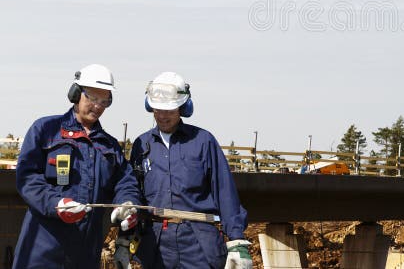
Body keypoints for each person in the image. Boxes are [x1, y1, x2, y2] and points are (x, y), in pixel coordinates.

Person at [13, 64, 141, 269]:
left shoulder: (109, 146)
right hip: (42, 249)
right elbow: (27, 179)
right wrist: (56, 203)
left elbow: (125, 181)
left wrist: (127, 203)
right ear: (76, 94)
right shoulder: (45, 130)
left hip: (84, 253)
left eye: (104, 100)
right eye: (92, 97)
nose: (98, 106)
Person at [130, 71, 251, 269]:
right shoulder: (141, 145)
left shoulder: (203, 141)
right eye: (157, 109)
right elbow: (133, 192)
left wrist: (237, 240)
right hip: (157, 244)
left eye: (169, 110)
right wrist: (126, 237)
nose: (162, 116)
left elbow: (224, 192)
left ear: (183, 107)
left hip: (198, 243)